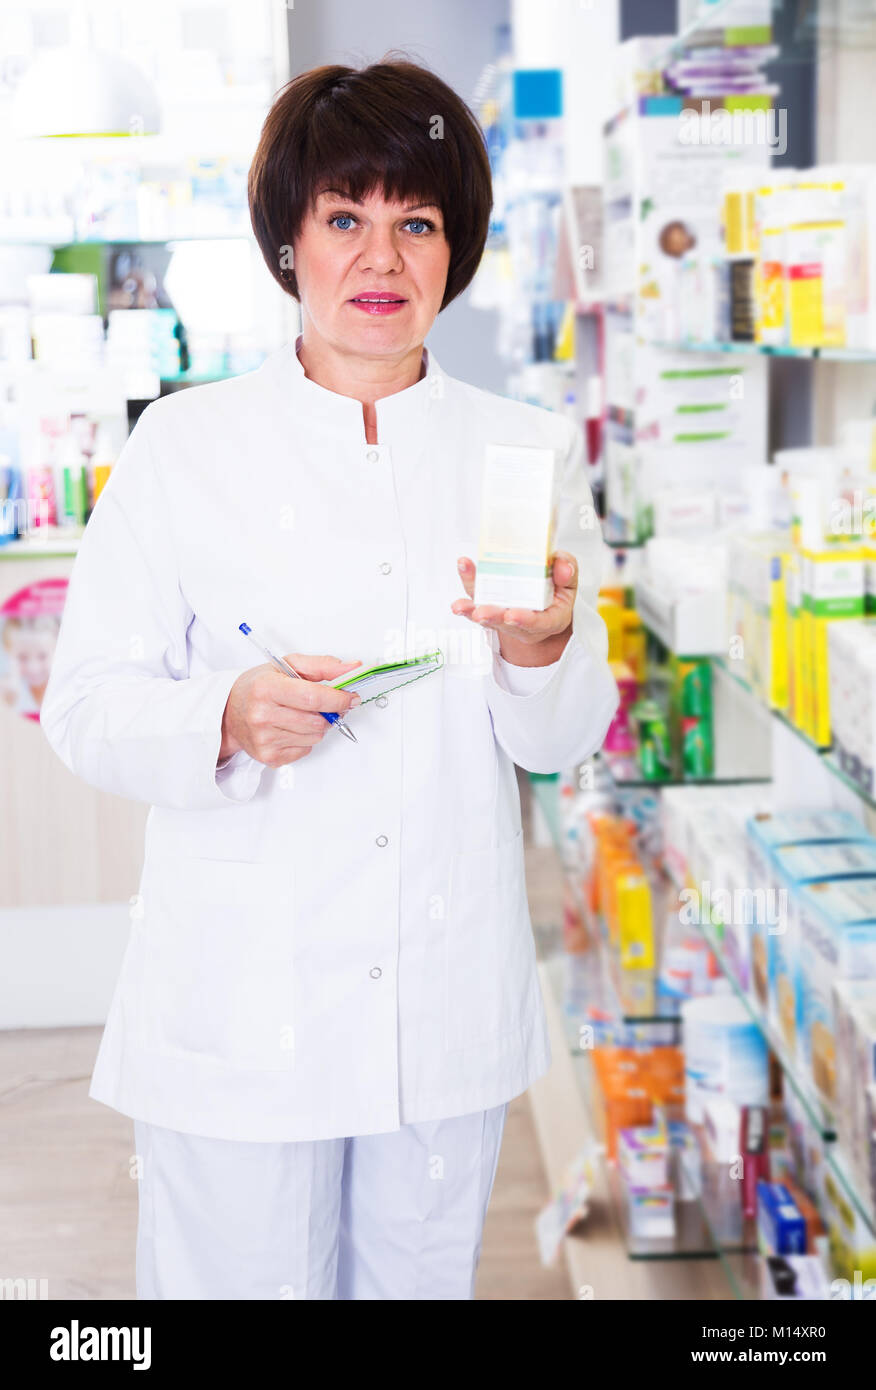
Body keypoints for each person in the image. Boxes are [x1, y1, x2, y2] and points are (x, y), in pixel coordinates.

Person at [40, 58, 619, 1301]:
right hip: (242, 996)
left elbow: (564, 740)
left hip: (439, 990)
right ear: (289, 243)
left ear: (456, 253)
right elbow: (86, 703)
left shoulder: (520, 450)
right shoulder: (183, 446)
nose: (383, 257)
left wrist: (540, 648)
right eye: (346, 218)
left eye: (417, 223)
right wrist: (227, 716)